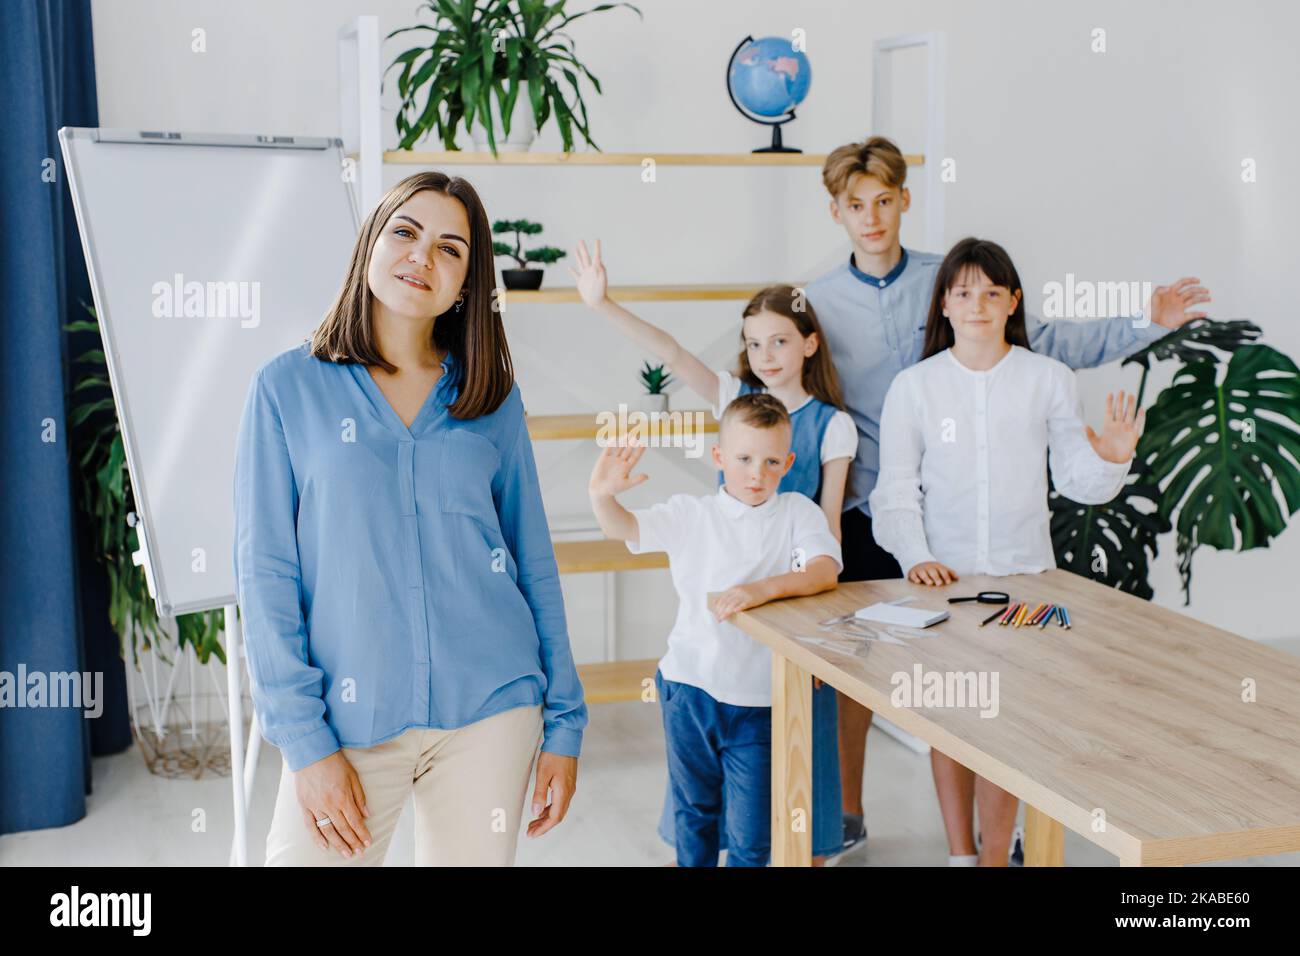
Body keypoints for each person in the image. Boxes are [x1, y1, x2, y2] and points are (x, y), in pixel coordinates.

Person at [804, 136, 1211, 854]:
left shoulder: (1006, 335)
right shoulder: (834, 311)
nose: (976, 302)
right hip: (884, 522)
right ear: (837, 212)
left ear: (904, 201)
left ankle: (999, 847)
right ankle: (867, 818)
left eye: (884, 202)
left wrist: (1136, 365)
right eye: (856, 206)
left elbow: (1059, 367)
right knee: (917, 700)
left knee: (1014, 712)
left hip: (1021, 572)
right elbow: (784, 369)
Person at [234, 171, 587, 866]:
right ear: (370, 244)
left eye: (450, 248)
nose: (422, 257)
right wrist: (306, 744)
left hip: (491, 705)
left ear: (467, 282)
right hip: (346, 718)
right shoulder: (286, 389)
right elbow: (265, 572)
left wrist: (566, 726)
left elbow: (533, 560)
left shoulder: (491, 398)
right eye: (405, 233)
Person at [571, 241, 855, 864]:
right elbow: (670, 351)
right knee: (697, 814)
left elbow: (827, 544)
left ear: (809, 343)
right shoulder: (728, 417)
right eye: (754, 344)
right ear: (721, 456)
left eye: (779, 341)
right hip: (699, 674)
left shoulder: (827, 431)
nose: (765, 356)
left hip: (786, 624)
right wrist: (602, 303)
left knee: (769, 816)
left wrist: (778, 586)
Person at [869, 237, 1144, 864]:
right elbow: (895, 491)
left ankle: (996, 858)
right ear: (944, 303)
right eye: (964, 292)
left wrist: (1114, 455)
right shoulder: (913, 387)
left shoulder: (1048, 378)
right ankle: (960, 855)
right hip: (941, 585)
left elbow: (1077, 480)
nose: (978, 304)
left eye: (992, 292)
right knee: (951, 723)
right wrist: (915, 556)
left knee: (1009, 726)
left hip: (1029, 582)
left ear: (1012, 301)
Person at [587, 393, 842, 866]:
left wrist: (759, 589)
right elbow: (621, 528)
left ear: (788, 462)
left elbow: (824, 570)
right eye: (744, 459)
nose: (757, 474)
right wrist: (602, 496)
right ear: (719, 457)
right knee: (695, 813)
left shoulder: (797, 512)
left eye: (770, 461)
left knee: (751, 836)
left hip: (761, 702)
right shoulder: (692, 513)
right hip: (688, 691)